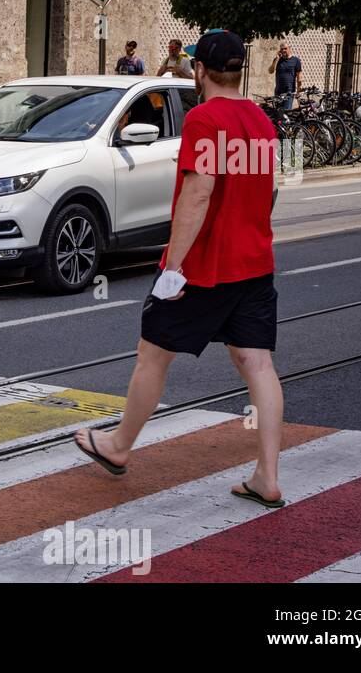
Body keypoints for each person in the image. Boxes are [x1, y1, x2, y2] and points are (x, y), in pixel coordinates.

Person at [74, 30, 286, 509]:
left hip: (206, 267)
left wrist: (173, 265)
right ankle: (267, 476)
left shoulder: (204, 119)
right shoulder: (262, 121)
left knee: (153, 354)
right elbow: (264, 192)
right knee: (258, 364)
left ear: (201, 72)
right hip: (255, 263)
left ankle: (118, 446)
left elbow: (199, 192)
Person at [268, 42, 302, 110]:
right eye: (282, 49)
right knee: (278, 113)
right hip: (278, 91)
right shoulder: (278, 60)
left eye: (285, 49)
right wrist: (276, 59)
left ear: (289, 49)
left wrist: (299, 91)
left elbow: (299, 77)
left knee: (286, 112)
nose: (283, 50)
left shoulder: (296, 60)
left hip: (289, 92)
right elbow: (270, 71)